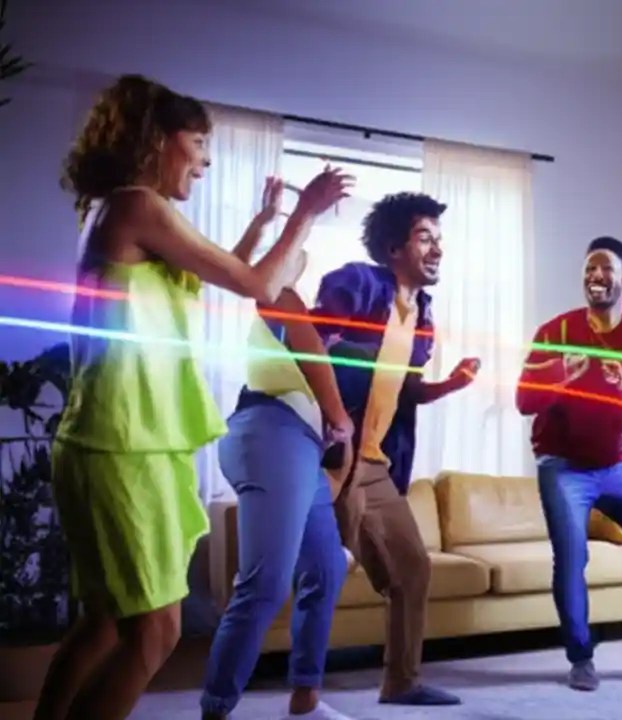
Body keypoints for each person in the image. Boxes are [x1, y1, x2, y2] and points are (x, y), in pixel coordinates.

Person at [35, 74, 349, 720]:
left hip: (109, 440)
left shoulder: (122, 212)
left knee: (102, 624)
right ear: (158, 139)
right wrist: (305, 211)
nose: (205, 162)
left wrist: (264, 223)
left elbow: (208, 280)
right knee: (156, 634)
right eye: (199, 143)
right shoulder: (137, 206)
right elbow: (258, 285)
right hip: (122, 444)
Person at [311, 192, 479, 707]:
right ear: (392, 248)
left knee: (412, 568)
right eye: (424, 237)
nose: (437, 249)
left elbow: (405, 389)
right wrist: (335, 418)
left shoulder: (421, 314)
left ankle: (401, 681)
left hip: (375, 465)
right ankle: (291, 693)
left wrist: (448, 385)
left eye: (437, 239)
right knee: (312, 574)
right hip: (322, 456)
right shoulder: (356, 284)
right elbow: (313, 346)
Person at [199, 186, 357, 718]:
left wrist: (268, 218)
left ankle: (306, 695)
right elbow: (315, 361)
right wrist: (339, 417)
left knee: (326, 567)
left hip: (290, 447)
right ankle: (216, 706)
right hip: (274, 435)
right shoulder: (281, 298)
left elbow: (239, 265)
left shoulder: (278, 307)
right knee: (265, 585)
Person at [515, 236, 622, 691]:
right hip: (562, 465)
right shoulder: (555, 332)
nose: (595, 275)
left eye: (605, 268)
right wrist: (559, 375)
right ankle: (581, 657)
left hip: (618, 465)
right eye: (589, 267)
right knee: (571, 556)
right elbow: (523, 400)